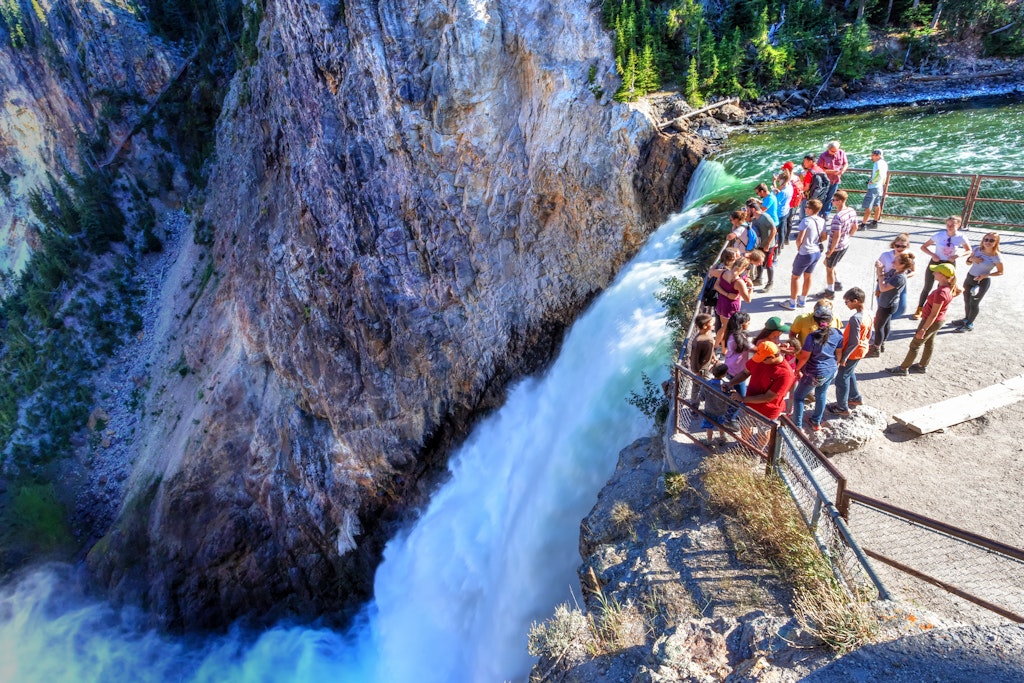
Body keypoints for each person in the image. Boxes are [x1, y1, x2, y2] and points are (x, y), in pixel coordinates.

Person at [887, 263, 961, 375]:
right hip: (939, 321)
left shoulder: (941, 292)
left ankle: (903, 369)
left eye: (936, 271)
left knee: (915, 345)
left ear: (942, 275)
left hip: (930, 321)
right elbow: (960, 290)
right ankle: (922, 366)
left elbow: (933, 314)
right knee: (929, 342)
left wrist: (923, 329)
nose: (933, 273)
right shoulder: (950, 287)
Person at [724, 341, 796, 449]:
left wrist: (743, 398)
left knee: (764, 432)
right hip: (749, 404)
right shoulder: (760, 359)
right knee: (745, 425)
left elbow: (769, 397)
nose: (759, 361)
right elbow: (745, 373)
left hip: (768, 410)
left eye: (762, 359)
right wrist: (730, 383)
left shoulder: (786, 374)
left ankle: (758, 451)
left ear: (771, 357)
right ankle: (745, 446)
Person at [792, 304, 844, 432]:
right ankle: (816, 422)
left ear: (815, 320)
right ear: (831, 320)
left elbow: (804, 357)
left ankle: (797, 427)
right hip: (831, 370)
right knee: (821, 393)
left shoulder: (812, 337)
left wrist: (797, 369)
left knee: (798, 397)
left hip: (814, 372)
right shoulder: (837, 333)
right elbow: (839, 353)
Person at [914, 216, 971, 319]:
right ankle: (920, 308)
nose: (949, 227)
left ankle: (935, 310)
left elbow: (969, 250)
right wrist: (933, 255)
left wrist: (957, 255)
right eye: (948, 224)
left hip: (949, 264)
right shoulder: (939, 235)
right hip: (936, 262)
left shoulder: (961, 237)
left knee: (942, 288)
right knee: (927, 286)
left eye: (952, 225)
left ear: (958, 225)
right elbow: (923, 247)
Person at [829, 288, 870, 416]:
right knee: (849, 373)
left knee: (841, 379)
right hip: (861, 349)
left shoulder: (855, 318)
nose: (846, 304)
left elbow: (854, 341)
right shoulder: (868, 313)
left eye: (847, 302)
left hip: (852, 352)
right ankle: (855, 397)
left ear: (856, 301)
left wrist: (844, 357)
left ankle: (842, 408)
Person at [780, 198, 826, 311]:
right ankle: (802, 299)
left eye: (806, 207)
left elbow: (799, 239)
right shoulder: (822, 220)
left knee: (795, 277)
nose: (805, 208)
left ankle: (792, 302)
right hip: (816, 252)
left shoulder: (806, 221)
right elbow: (824, 237)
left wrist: (800, 248)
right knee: (808, 275)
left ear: (810, 209)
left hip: (805, 253)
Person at [867, 252, 915, 358]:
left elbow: (883, 287)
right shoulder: (895, 271)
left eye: (895, 261)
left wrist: (879, 272)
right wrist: (881, 270)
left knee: (878, 326)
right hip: (888, 303)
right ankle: (882, 343)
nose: (892, 262)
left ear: (902, 265)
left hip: (887, 305)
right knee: (886, 324)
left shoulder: (900, 278)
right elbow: (883, 278)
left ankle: (876, 348)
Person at [957, 232, 1004, 332]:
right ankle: (966, 319)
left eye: (991, 240)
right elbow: (967, 263)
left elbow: (1001, 272)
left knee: (974, 303)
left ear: (996, 242)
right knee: (966, 300)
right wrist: (971, 258)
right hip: (969, 278)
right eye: (986, 239)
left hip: (982, 282)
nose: (987, 242)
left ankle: (969, 324)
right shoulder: (977, 249)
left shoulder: (996, 256)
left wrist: (986, 275)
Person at [822, 190, 859, 297]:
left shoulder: (837, 217)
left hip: (836, 247)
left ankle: (830, 291)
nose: (832, 202)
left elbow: (836, 236)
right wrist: (847, 236)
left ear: (840, 201)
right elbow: (855, 227)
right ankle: (837, 283)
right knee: (828, 264)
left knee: (829, 269)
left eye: (834, 200)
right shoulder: (851, 211)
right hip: (845, 244)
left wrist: (830, 251)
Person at [714, 256, 753, 352]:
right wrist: (751, 287)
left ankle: (718, 347)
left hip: (721, 303)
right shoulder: (739, 282)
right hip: (731, 307)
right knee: (726, 329)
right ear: (743, 268)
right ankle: (721, 349)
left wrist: (726, 294)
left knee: (724, 327)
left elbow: (716, 285)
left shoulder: (723, 272)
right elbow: (748, 299)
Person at [876, 233, 914, 318]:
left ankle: (886, 321)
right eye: (897, 245)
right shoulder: (885, 255)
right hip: (884, 282)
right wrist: (880, 278)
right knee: (883, 308)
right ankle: (884, 322)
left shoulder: (908, 256)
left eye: (903, 246)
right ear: (893, 244)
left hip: (898, 284)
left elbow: (913, 271)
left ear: (907, 246)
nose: (900, 248)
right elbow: (879, 267)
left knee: (901, 308)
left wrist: (902, 277)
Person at [746, 197, 777, 289]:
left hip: (768, 245)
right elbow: (748, 221)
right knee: (758, 262)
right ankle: (759, 279)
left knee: (768, 264)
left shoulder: (766, 217)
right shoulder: (755, 218)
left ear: (753, 209)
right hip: (759, 245)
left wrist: (768, 244)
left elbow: (774, 230)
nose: (747, 211)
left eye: (748, 209)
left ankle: (770, 283)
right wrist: (747, 214)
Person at [699, 364, 733, 446]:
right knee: (721, 425)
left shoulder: (706, 384)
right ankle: (722, 438)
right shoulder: (727, 386)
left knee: (709, 426)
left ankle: (709, 440)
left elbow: (701, 398)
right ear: (724, 374)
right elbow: (730, 399)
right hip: (722, 411)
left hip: (709, 410)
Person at [817, 140, 848, 218]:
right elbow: (819, 169)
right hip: (825, 180)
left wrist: (843, 170)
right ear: (828, 149)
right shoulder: (823, 156)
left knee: (831, 198)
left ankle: (826, 214)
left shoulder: (841, 153)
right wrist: (833, 171)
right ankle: (819, 212)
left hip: (835, 180)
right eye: (832, 151)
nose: (834, 153)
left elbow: (846, 163)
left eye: (835, 151)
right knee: (822, 197)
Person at [861, 149, 888, 227]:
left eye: (872, 155)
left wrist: (872, 181)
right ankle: (875, 222)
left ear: (877, 155)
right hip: (880, 187)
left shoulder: (877, 163)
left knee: (868, 206)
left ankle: (863, 224)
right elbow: (884, 176)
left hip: (873, 187)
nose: (871, 157)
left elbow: (878, 174)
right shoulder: (884, 163)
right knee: (877, 205)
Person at [773, 168, 795, 250]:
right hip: (787, 210)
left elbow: (776, 200)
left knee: (780, 231)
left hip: (780, 213)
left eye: (779, 181)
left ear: (783, 181)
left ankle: (779, 246)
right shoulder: (790, 186)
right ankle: (783, 243)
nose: (779, 182)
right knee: (783, 228)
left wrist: (774, 185)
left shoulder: (783, 192)